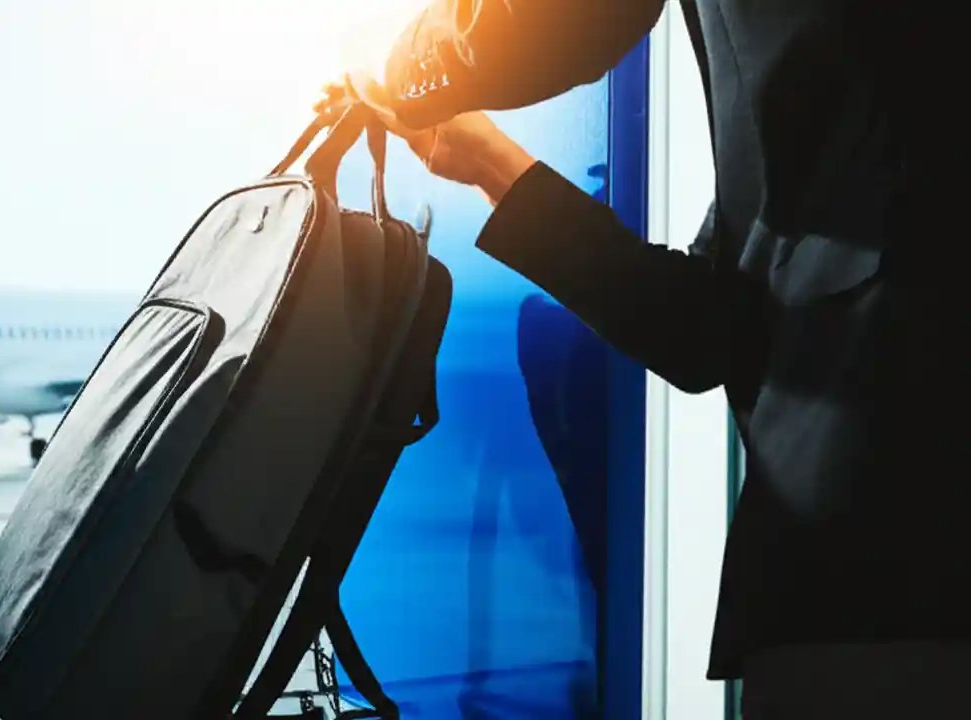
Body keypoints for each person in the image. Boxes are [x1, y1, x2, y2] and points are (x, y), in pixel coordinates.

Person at [320, 1, 964, 717]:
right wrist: (489, 161)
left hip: (884, 555)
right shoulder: (855, 92)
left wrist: (388, 61)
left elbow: (542, 25)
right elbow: (705, 332)